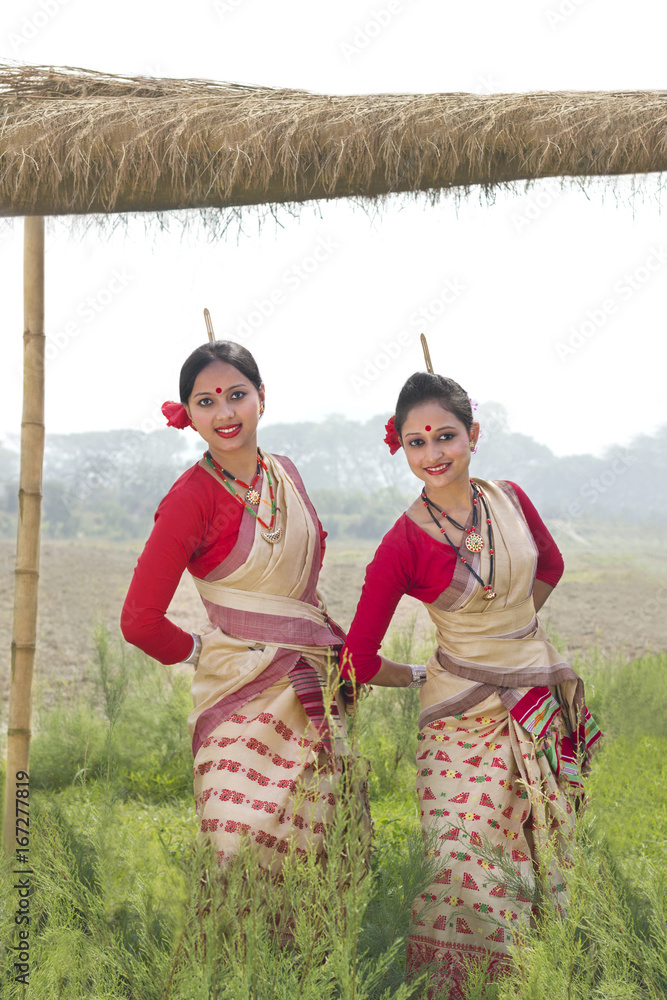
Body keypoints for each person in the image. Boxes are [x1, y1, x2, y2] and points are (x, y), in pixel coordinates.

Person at [340, 369, 601, 998]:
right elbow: (358, 657)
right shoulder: (403, 542)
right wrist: (423, 672)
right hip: (459, 722)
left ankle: (535, 981)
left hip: (532, 699)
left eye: (446, 436)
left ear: (474, 434)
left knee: (539, 848)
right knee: (466, 864)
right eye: (415, 443)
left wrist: (508, 634)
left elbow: (552, 562)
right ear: (400, 447)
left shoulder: (509, 498)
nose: (433, 454)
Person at [121, 340, 377, 873]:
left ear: (262, 397)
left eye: (236, 395)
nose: (224, 413)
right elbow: (139, 621)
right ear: (188, 415)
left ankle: (325, 959)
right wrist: (203, 650)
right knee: (240, 852)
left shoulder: (284, 472)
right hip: (241, 690)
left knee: (323, 853)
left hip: (312, 686)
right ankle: (235, 961)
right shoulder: (190, 498)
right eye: (205, 402)